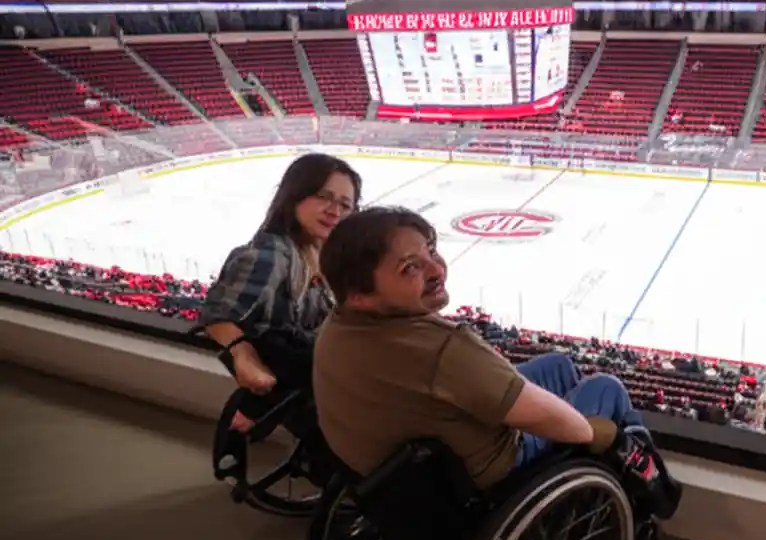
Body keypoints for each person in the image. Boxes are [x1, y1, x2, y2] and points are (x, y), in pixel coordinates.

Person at [312, 207, 649, 490]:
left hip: (408, 467)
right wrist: (598, 433)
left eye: (431, 250)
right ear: (361, 296)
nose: (436, 270)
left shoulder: (337, 326)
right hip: (488, 470)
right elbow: (576, 429)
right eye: (410, 267)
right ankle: (651, 482)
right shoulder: (443, 349)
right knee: (606, 388)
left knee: (558, 366)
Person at [199, 153, 362, 432]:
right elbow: (216, 314)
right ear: (296, 194)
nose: (334, 211)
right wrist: (244, 354)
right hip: (312, 393)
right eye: (323, 196)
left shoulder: (323, 253)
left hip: (325, 385)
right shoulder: (272, 254)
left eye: (345, 205)